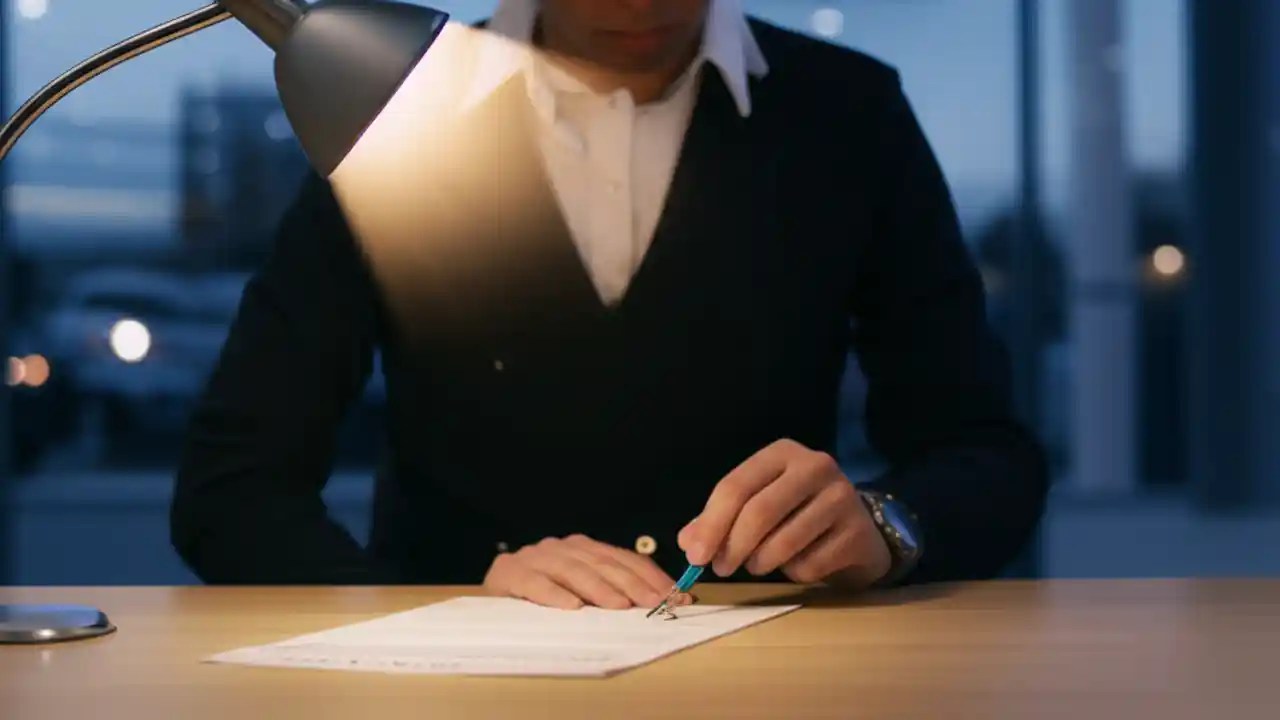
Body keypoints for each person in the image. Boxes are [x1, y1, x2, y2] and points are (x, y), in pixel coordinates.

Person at [170, 0, 1048, 609]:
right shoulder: (393, 110)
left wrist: (885, 527)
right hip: (458, 689)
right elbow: (232, 488)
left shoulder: (847, 113)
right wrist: (429, 606)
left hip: (762, 675)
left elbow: (985, 451)